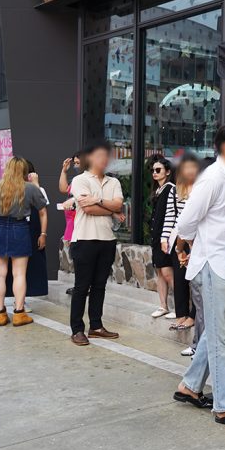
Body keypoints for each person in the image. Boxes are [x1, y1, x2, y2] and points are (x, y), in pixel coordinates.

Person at [171, 124, 225, 429]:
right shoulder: (213, 179)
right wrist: (188, 247)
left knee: (217, 334)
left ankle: (190, 386)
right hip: (215, 266)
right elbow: (185, 222)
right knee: (222, 340)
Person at [69, 141, 124, 346]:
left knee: (100, 285)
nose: (105, 160)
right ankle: (77, 329)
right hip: (84, 239)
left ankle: (96, 326)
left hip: (107, 239)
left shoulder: (114, 182)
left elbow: (119, 204)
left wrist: (98, 200)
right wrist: (112, 211)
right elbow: (88, 208)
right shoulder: (79, 180)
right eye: (100, 156)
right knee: (82, 286)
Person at [0, 157, 48, 327]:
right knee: (19, 274)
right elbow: (43, 211)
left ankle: (0, 314)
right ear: (24, 171)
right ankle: (19, 314)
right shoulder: (29, 188)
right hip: (20, 228)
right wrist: (43, 233)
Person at [161, 155, 203, 337]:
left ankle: (193, 316)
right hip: (179, 238)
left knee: (195, 280)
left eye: (193, 167)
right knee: (180, 278)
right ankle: (181, 315)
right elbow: (170, 215)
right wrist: (164, 238)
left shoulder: (202, 188)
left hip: (197, 239)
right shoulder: (175, 189)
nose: (190, 171)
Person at [6, 161, 49, 302]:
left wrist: (43, 234)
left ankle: (20, 301)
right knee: (5, 269)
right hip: (13, 229)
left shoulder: (37, 189)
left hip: (31, 230)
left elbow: (43, 210)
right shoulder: (6, 188)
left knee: (25, 269)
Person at [147, 156, 177, 320]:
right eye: (153, 170)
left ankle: (180, 308)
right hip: (157, 237)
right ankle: (163, 306)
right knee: (160, 271)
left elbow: (173, 215)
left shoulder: (171, 189)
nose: (154, 173)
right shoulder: (158, 190)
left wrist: (167, 237)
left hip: (166, 238)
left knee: (167, 272)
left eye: (158, 170)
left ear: (168, 172)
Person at [59, 153, 83, 295]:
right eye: (75, 163)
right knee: (75, 256)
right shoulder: (76, 180)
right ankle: (79, 285)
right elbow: (64, 189)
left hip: (79, 222)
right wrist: (64, 171)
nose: (76, 166)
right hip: (70, 222)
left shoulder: (86, 180)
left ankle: (82, 286)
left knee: (80, 256)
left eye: (78, 163)